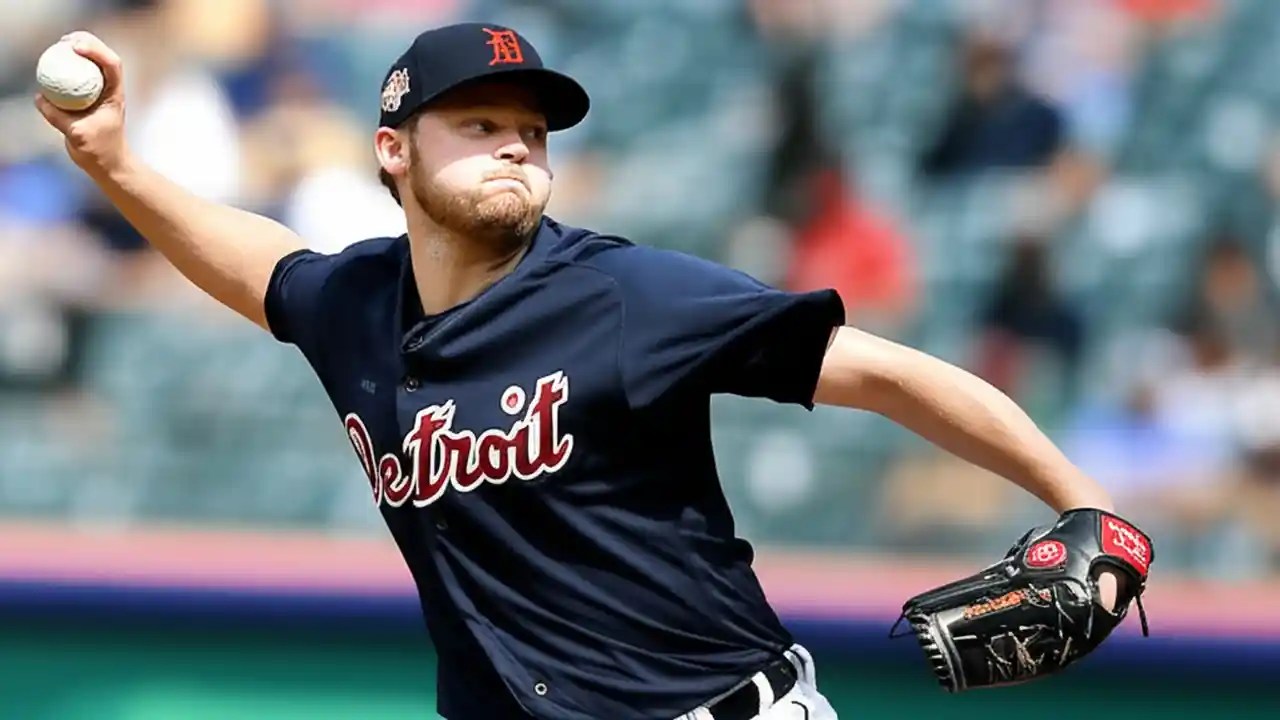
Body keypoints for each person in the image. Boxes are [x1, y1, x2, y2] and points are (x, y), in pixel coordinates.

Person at [37, 23, 1126, 720]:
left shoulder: (624, 296)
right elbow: (257, 266)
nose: (517, 146)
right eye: (479, 124)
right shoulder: (355, 308)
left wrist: (1087, 509)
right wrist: (118, 166)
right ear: (392, 152)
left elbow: (886, 374)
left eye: (532, 131)